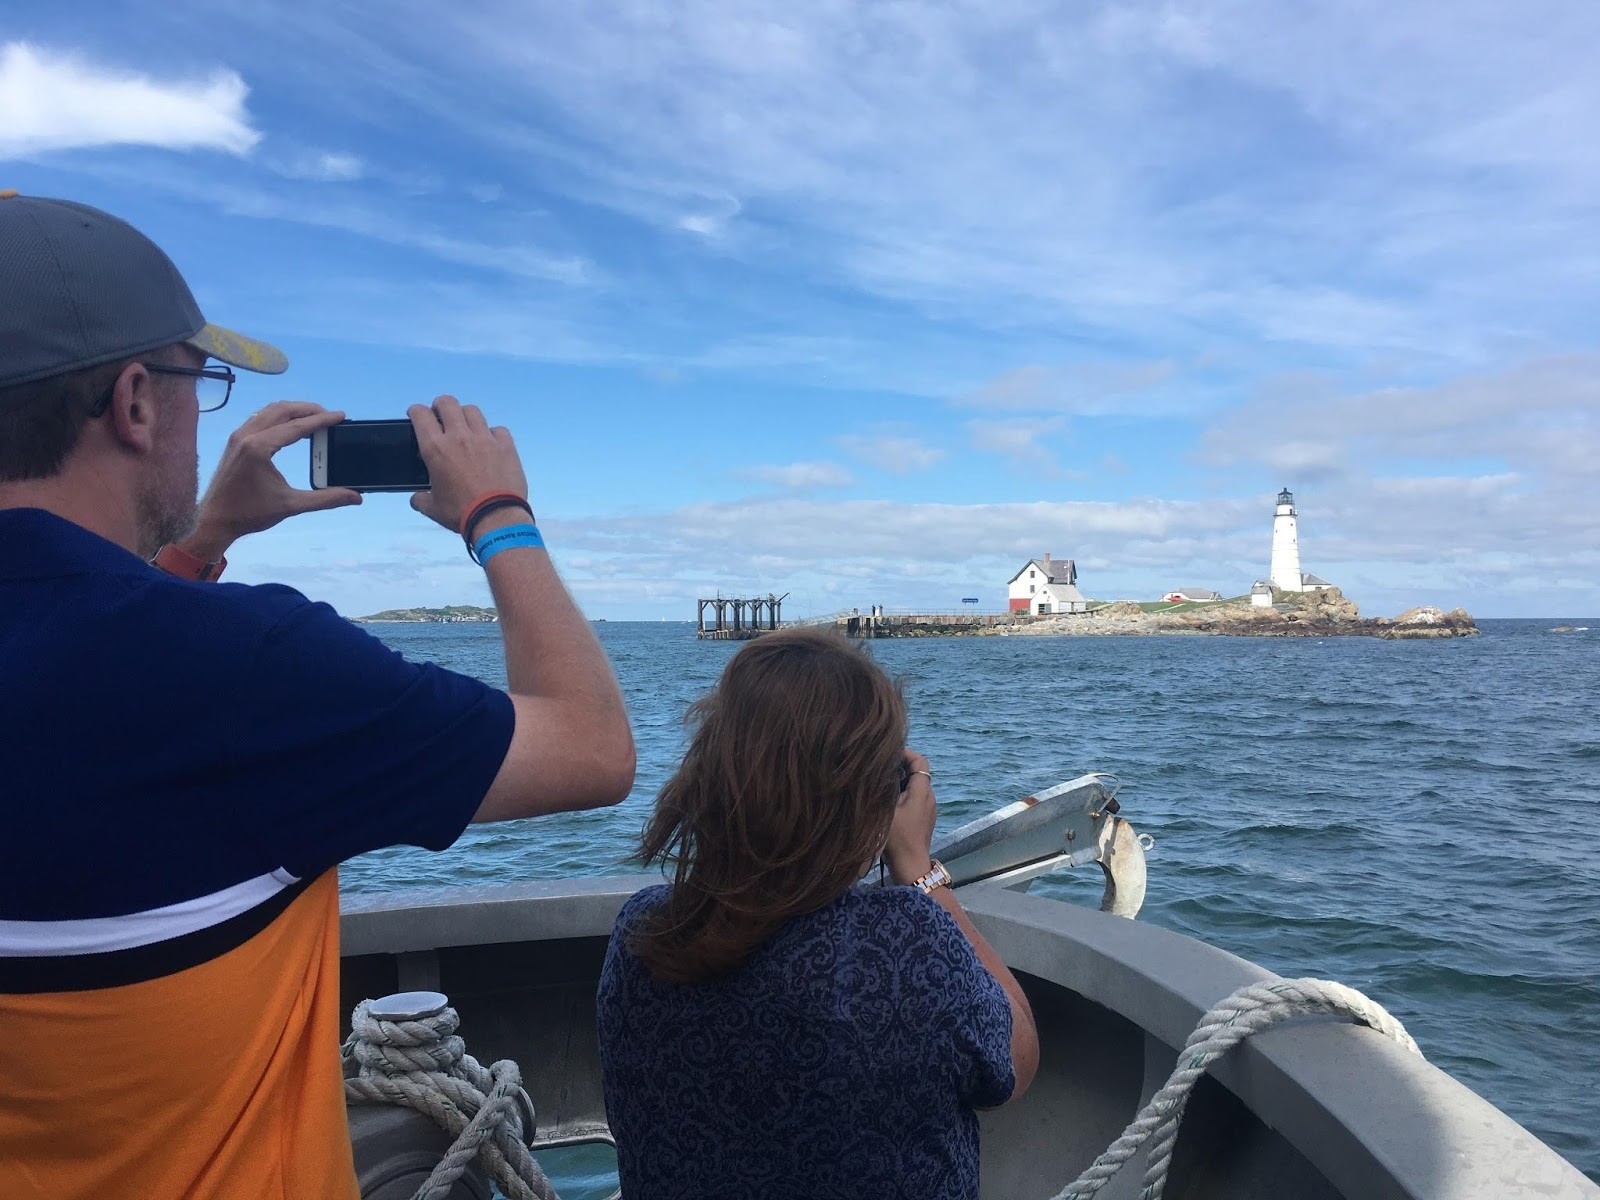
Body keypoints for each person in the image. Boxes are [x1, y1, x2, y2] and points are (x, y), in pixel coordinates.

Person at [0, 192, 635, 1200]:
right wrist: (499, 517)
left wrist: (199, 544)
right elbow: (594, 749)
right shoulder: (251, 667)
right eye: (194, 381)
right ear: (132, 401)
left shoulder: (183, 664)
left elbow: (62, 672)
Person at [596, 629, 1040, 1200]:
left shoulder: (641, 934)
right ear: (867, 803)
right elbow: (1015, 1062)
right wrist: (918, 867)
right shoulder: (904, 947)